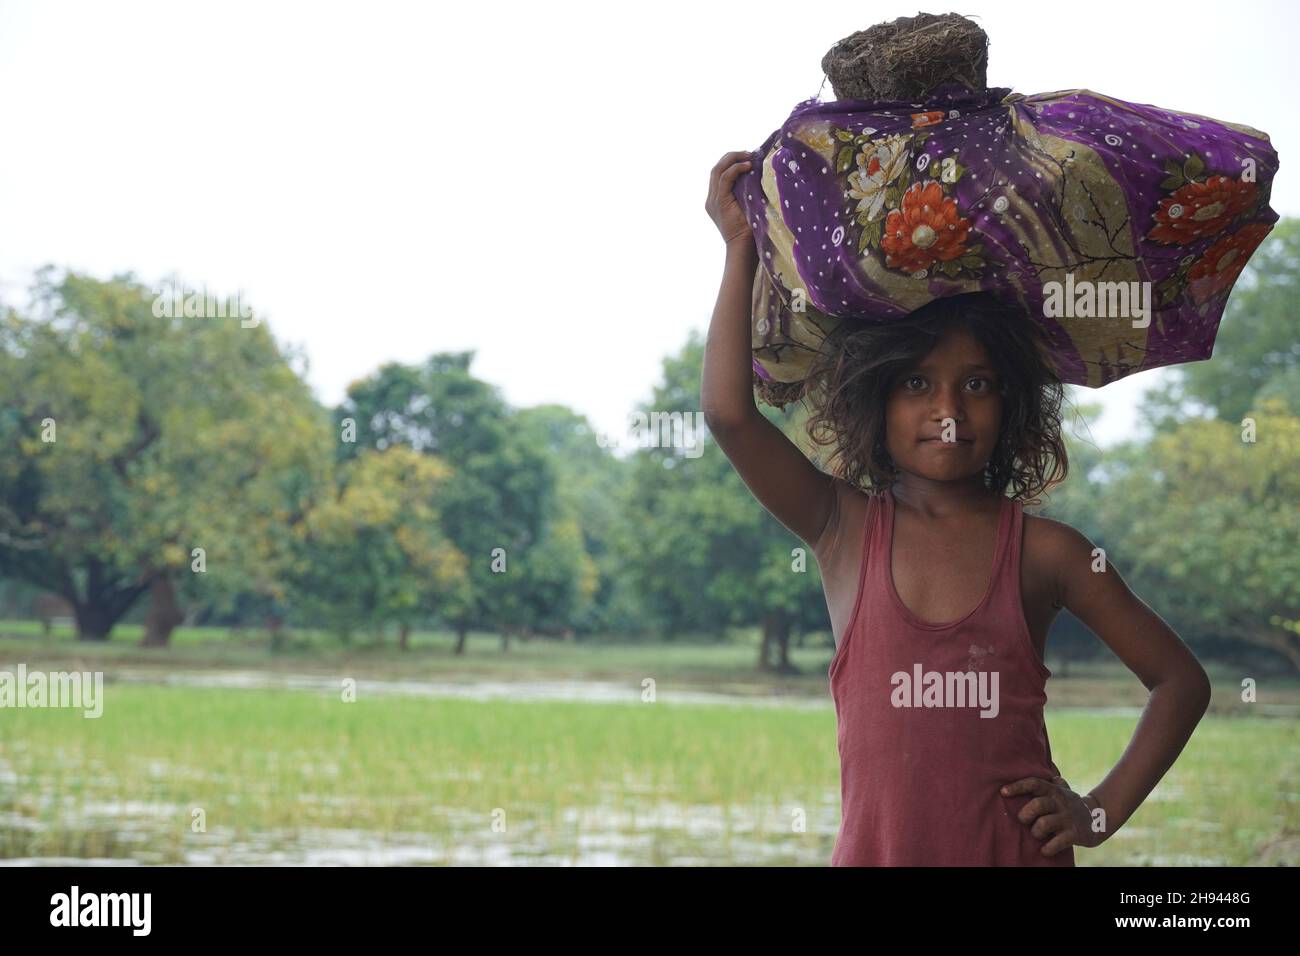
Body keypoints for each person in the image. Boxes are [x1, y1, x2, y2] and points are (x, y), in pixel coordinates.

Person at [702, 150, 1213, 866]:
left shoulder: (1049, 553)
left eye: (976, 385)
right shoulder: (841, 525)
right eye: (917, 383)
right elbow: (730, 417)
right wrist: (739, 251)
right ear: (876, 401)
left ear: (1011, 404)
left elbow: (1181, 681)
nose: (947, 412)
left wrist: (1097, 811)